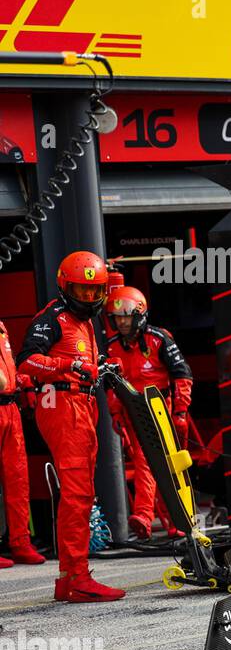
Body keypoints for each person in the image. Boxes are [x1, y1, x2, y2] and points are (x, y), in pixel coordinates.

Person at [17, 250, 124, 601]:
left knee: (82, 493)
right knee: (77, 494)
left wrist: (104, 364)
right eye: (82, 292)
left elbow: (87, 359)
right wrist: (69, 368)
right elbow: (28, 361)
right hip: (64, 406)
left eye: (95, 293)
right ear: (66, 287)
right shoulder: (54, 317)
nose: (89, 299)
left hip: (83, 405)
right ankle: (77, 577)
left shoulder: (87, 324)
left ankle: (69, 579)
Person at [103, 283, 194, 540]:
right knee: (154, 463)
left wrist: (180, 413)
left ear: (139, 315)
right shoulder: (110, 347)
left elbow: (182, 375)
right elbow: (111, 384)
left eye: (126, 317)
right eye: (118, 317)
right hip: (132, 413)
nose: (121, 322)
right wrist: (116, 415)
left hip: (161, 410)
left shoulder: (159, 339)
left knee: (160, 464)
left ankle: (149, 516)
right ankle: (171, 521)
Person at [0, 317, 43, 567]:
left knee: (18, 479)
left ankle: (20, 542)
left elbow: (9, 368)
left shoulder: (2, 327)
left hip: (10, 409)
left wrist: (23, 382)